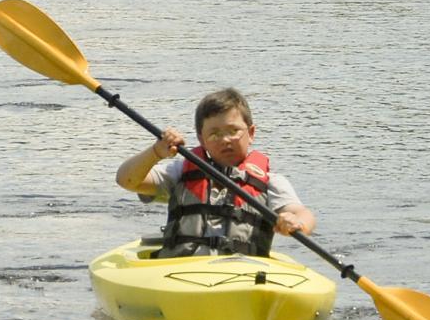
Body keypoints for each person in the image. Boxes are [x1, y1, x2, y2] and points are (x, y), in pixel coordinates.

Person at [115, 88, 316, 259]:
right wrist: (156, 152)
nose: (225, 140)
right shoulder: (179, 172)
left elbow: (303, 214)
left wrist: (297, 222)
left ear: (251, 133)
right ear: (201, 139)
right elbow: (127, 180)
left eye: (233, 131)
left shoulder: (271, 182)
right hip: (179, 271)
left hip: (243, 273)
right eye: (214, 134)